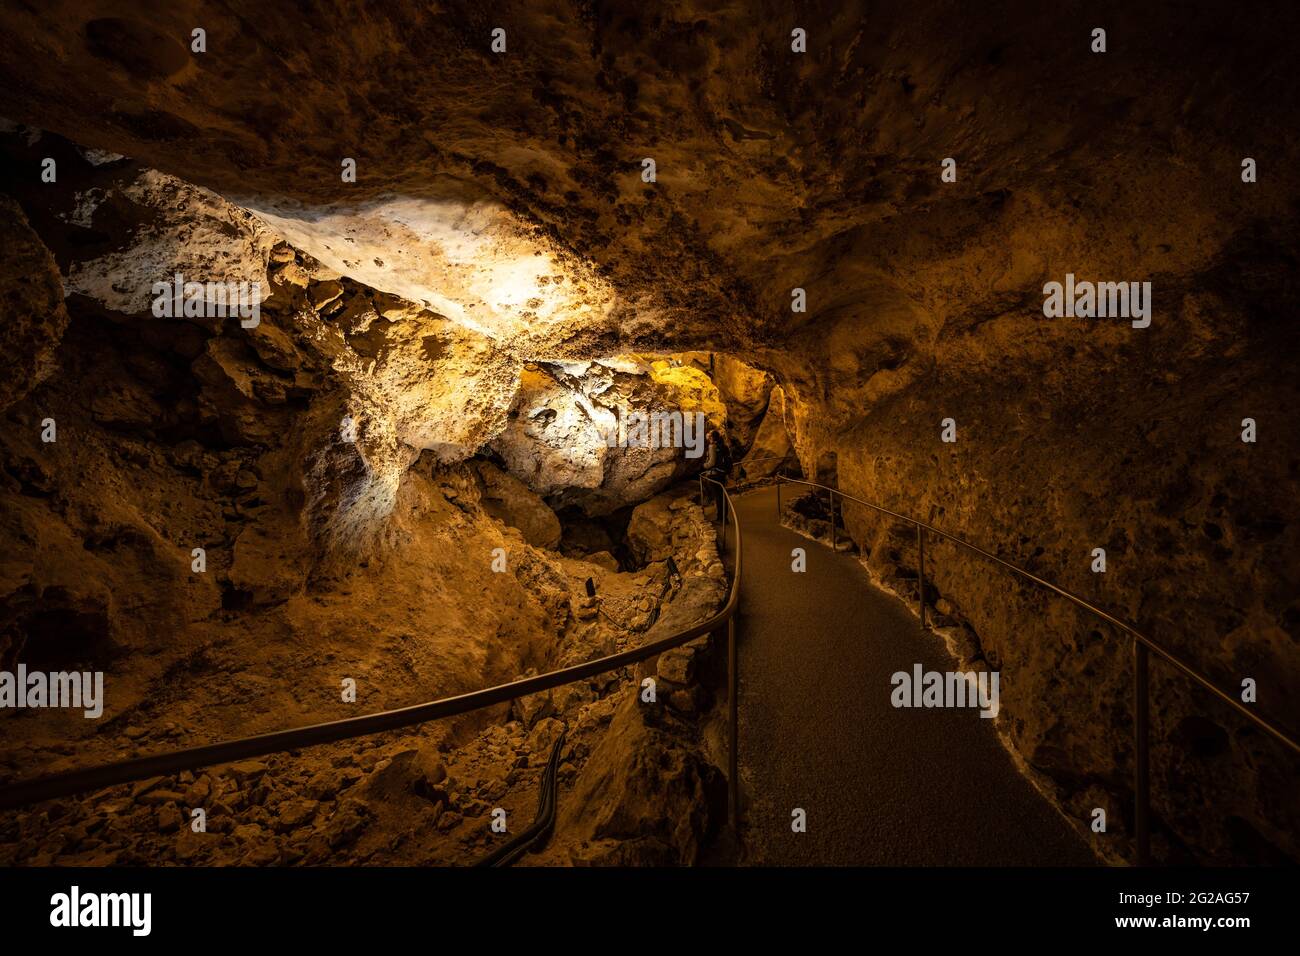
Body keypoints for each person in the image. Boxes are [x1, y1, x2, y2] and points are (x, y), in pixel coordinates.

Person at [701, 429, 733, 521]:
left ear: (712, 437)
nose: (708, 437)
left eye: (710, 436)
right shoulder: (723, 446)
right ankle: (724, 518)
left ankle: (720, 518)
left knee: (718, 497)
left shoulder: (712, 446)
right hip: (722, 474)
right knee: (722, 496)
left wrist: (703, 466)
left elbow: (711, 462)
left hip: (714, 474)